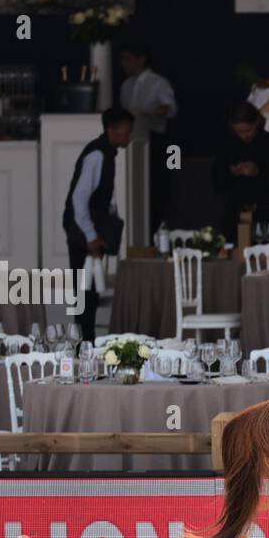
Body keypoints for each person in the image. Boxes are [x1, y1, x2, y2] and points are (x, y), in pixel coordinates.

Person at [62, 106, 134, 342]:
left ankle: (87, 345)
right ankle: (83, 348)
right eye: (126, 131)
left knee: (90, 296)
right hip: (83, 234)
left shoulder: (107, 153)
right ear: (112, 130)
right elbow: (79, 199)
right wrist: (91, 236)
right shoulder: (97, 154)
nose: (129, 137)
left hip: (90, 232)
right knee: (84, 297)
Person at [213, 102, 269, 245]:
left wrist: (259, 172)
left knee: (267, 263)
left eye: (248, 130)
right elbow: (217, 183)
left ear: (257, 122)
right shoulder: (227, 145)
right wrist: (231, 173)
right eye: (239, 131)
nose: (244, 136)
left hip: (266, 216)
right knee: (234, 262)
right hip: (233, 216)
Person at [119, 38, 177, 231]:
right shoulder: (126, 85)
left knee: (154, 193)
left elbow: (170, 109)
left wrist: (146, 112)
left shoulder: (158, 83)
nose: (124, 64)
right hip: (129, 143)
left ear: (141, 59)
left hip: (154, 144)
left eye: (127, 59)